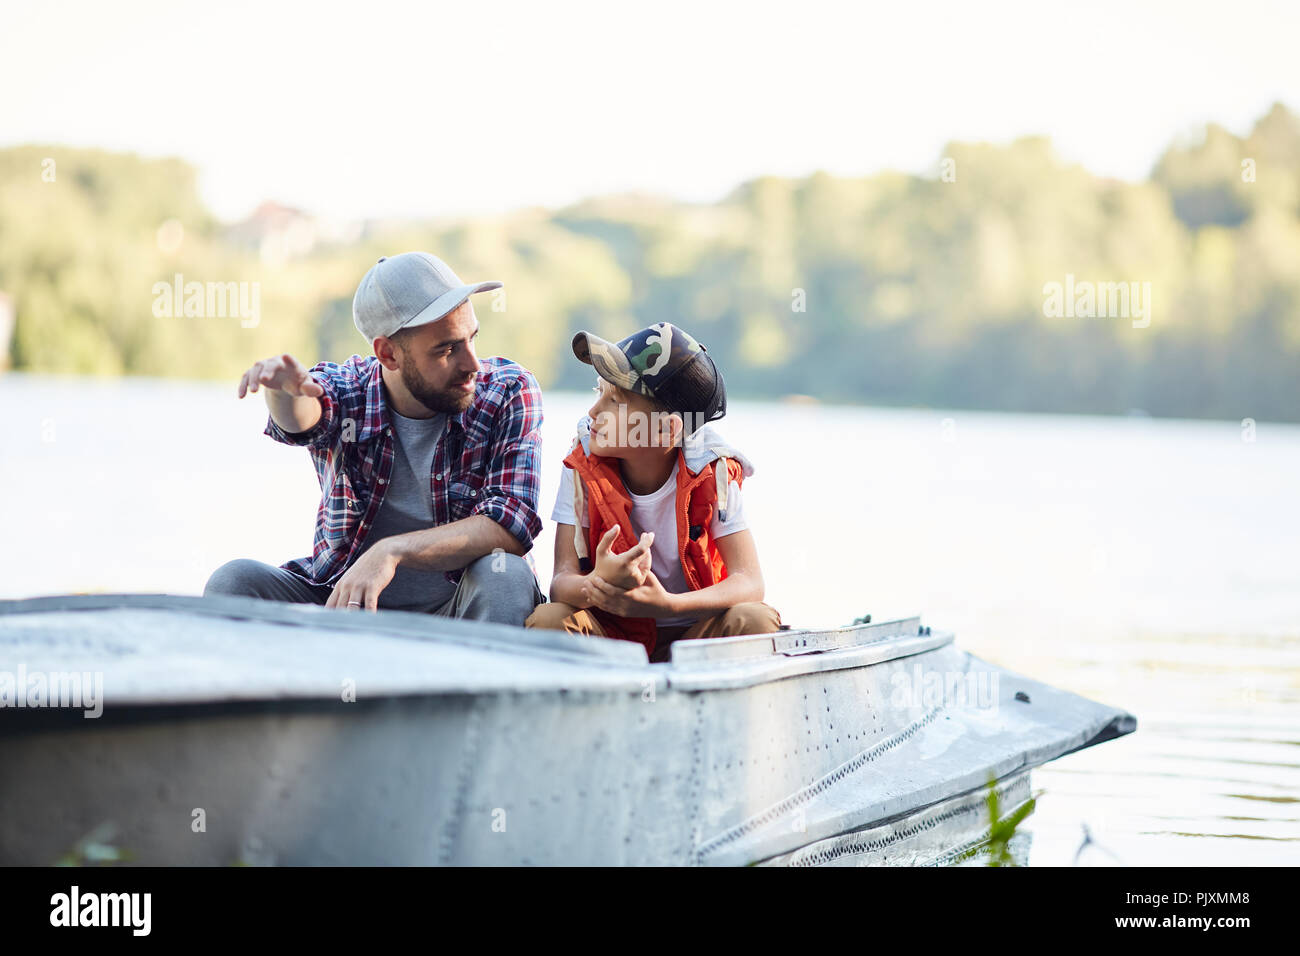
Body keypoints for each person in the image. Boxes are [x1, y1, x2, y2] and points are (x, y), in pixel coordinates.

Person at [204, 251, 545, 626]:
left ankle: (476, 684)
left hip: (459, 618)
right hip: (346, 610)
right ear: (388, 354)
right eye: (447, 349)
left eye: (471, 339)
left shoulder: (508, 391)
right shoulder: (349, 389)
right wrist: (284, 393)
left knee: (505, 574)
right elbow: (306, 418)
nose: (472, 364)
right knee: (234, 582)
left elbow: (510, 526)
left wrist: (392, 552)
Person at [525, 322, 781, 662]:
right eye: (597, 392)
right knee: (548, 620)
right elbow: (561, 582)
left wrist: (670, 605)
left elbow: (749, 581)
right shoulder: (582, 468)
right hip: (615, 638)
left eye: (614, 400)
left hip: (695, 637)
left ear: (666, 429)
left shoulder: (712, 469)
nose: (593, 413)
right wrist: (598, 584)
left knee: (755, 619)